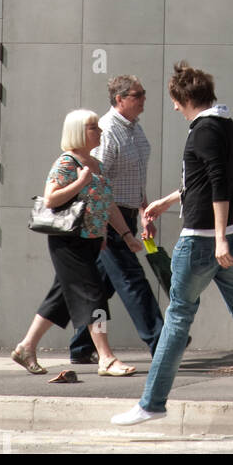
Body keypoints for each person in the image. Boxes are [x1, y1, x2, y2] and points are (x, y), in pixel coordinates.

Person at [111, 62, 233, 424]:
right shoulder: (223, 125)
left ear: (185, 98)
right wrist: (167, 201)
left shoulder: (203, 131)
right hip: (221, 239)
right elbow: (202, 181)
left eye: (175, 102)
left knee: (178, 318)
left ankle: (151, 403)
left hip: (201, 242)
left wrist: (220, 240)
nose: (173, 108)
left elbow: (220, 186)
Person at [12, 110, 141, 377]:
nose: (100, 131)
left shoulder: (96, 164)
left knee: (59, 298)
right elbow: (51, 199)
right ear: (79, 132)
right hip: (68, 242)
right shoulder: (67, 163)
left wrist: (125, 235)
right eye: (94, 127)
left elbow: (108, 204)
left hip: (91, 241)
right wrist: (80, 182)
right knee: (95, 296)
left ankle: (26, 347)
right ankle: (106, 358)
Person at [69, 75, 165, 365]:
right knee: (131, 278)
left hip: (127, 212)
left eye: (143, 93)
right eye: (137, 95)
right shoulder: (109, 130)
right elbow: (97, 180)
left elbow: (133, 175)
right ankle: (160, 339)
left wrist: (145, 210)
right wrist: (110, 224)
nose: (143, 99)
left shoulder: (134, 129)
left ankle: (80, 346)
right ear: (120, 99)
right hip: (108, 216)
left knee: (100, 287)